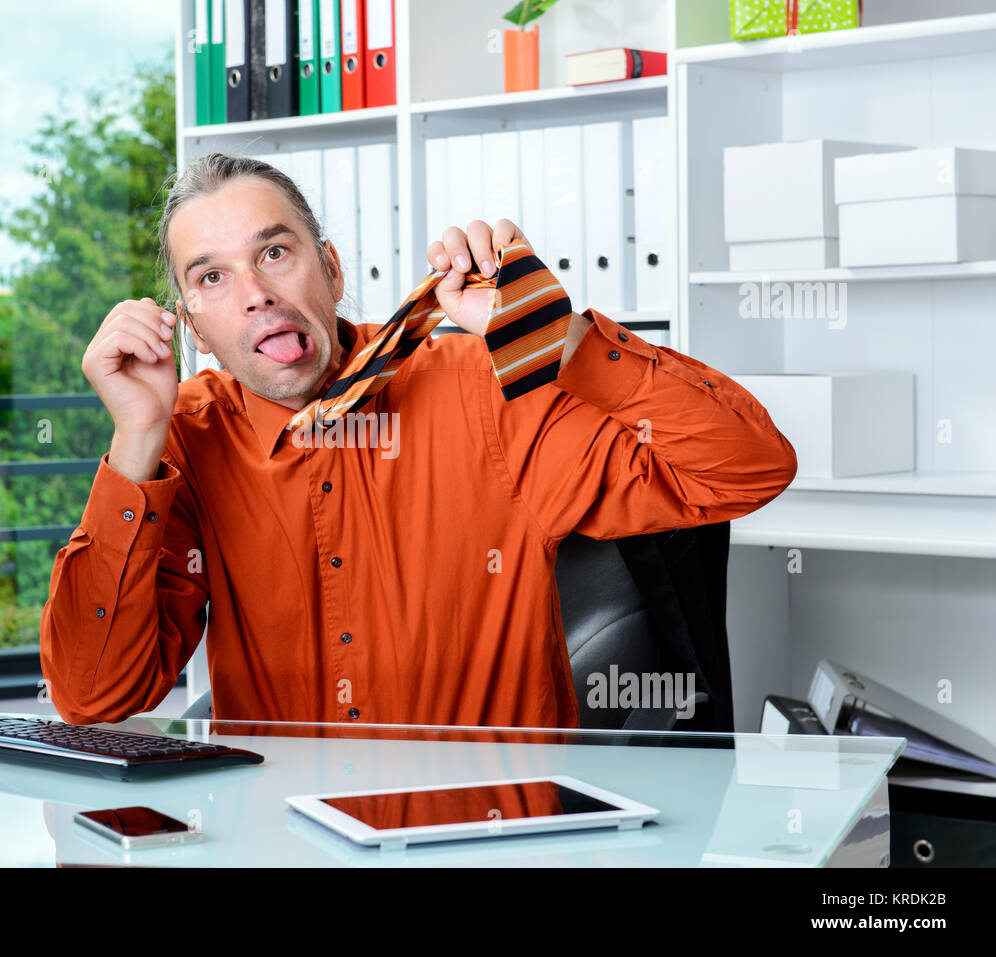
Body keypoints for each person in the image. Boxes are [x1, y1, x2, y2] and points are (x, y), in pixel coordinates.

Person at [39, 151, 798, 728]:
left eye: (275, 252)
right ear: (194, 328)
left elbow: (747, 468)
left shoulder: (482, 387)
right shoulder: (188, 440)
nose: (256, 293)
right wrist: (135, 439)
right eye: (211, 278)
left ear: (330, 270)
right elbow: (93, 691)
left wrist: (555, 338)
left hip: (487, 841)